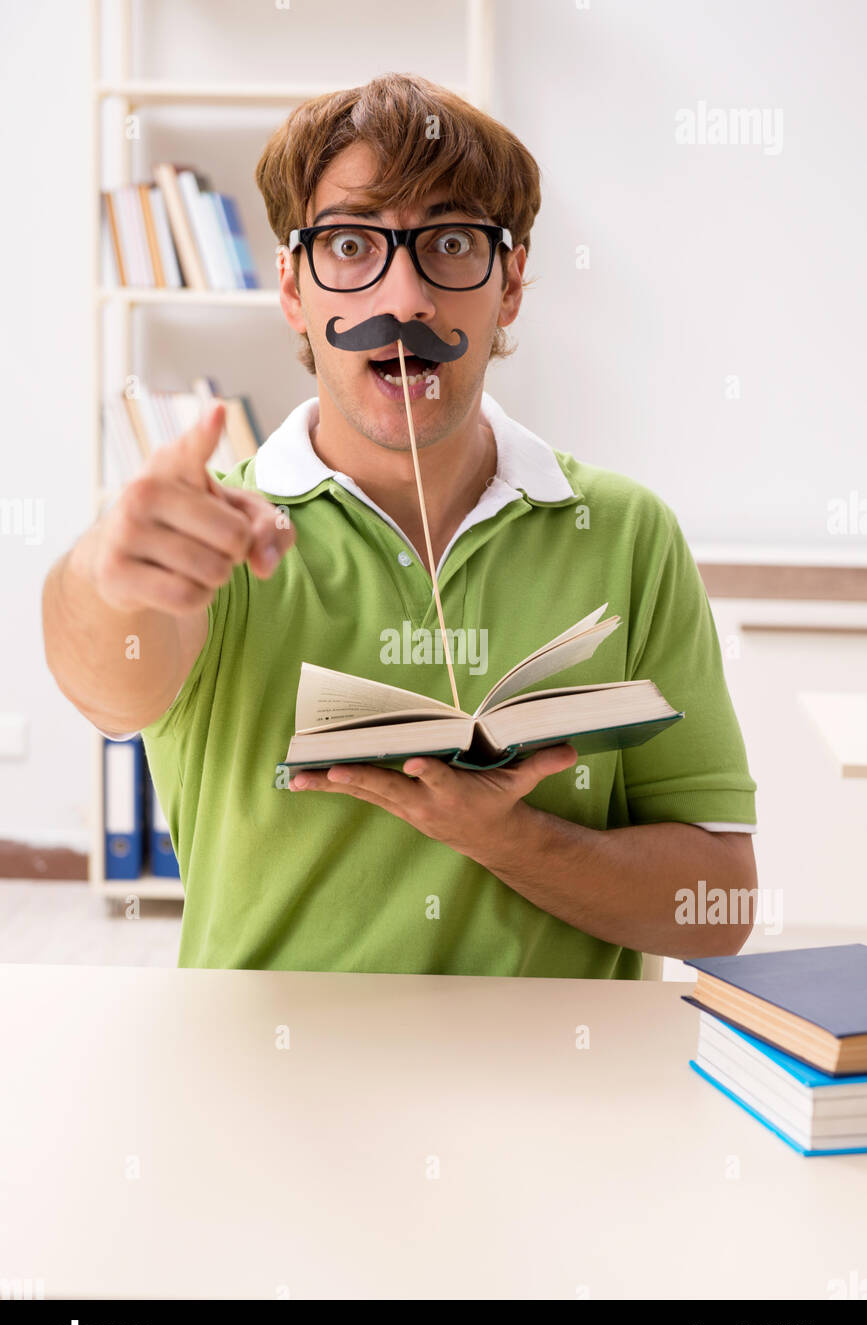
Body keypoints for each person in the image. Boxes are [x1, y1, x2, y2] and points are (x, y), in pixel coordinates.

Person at [43, 73, 758, 977]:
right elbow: (105, 682)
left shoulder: (624, 533)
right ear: (294, 290)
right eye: (351, 244)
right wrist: (103, 576)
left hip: (559, 1094)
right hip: (270, 1089)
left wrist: (507, 837)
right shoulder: (220, 535)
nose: (407, 297)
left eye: (451, 243)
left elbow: (720, 909)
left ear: (510, 286)